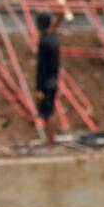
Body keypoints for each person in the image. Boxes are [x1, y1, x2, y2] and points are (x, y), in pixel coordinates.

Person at [34, 11, 61, 147]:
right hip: (53, 81)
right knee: (50, 112)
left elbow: (41, 67)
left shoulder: (44, 42)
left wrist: (39, 88)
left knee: (47, 113)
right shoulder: (54, 41)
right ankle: (51, 141)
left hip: (46, 84)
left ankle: (50, 142)